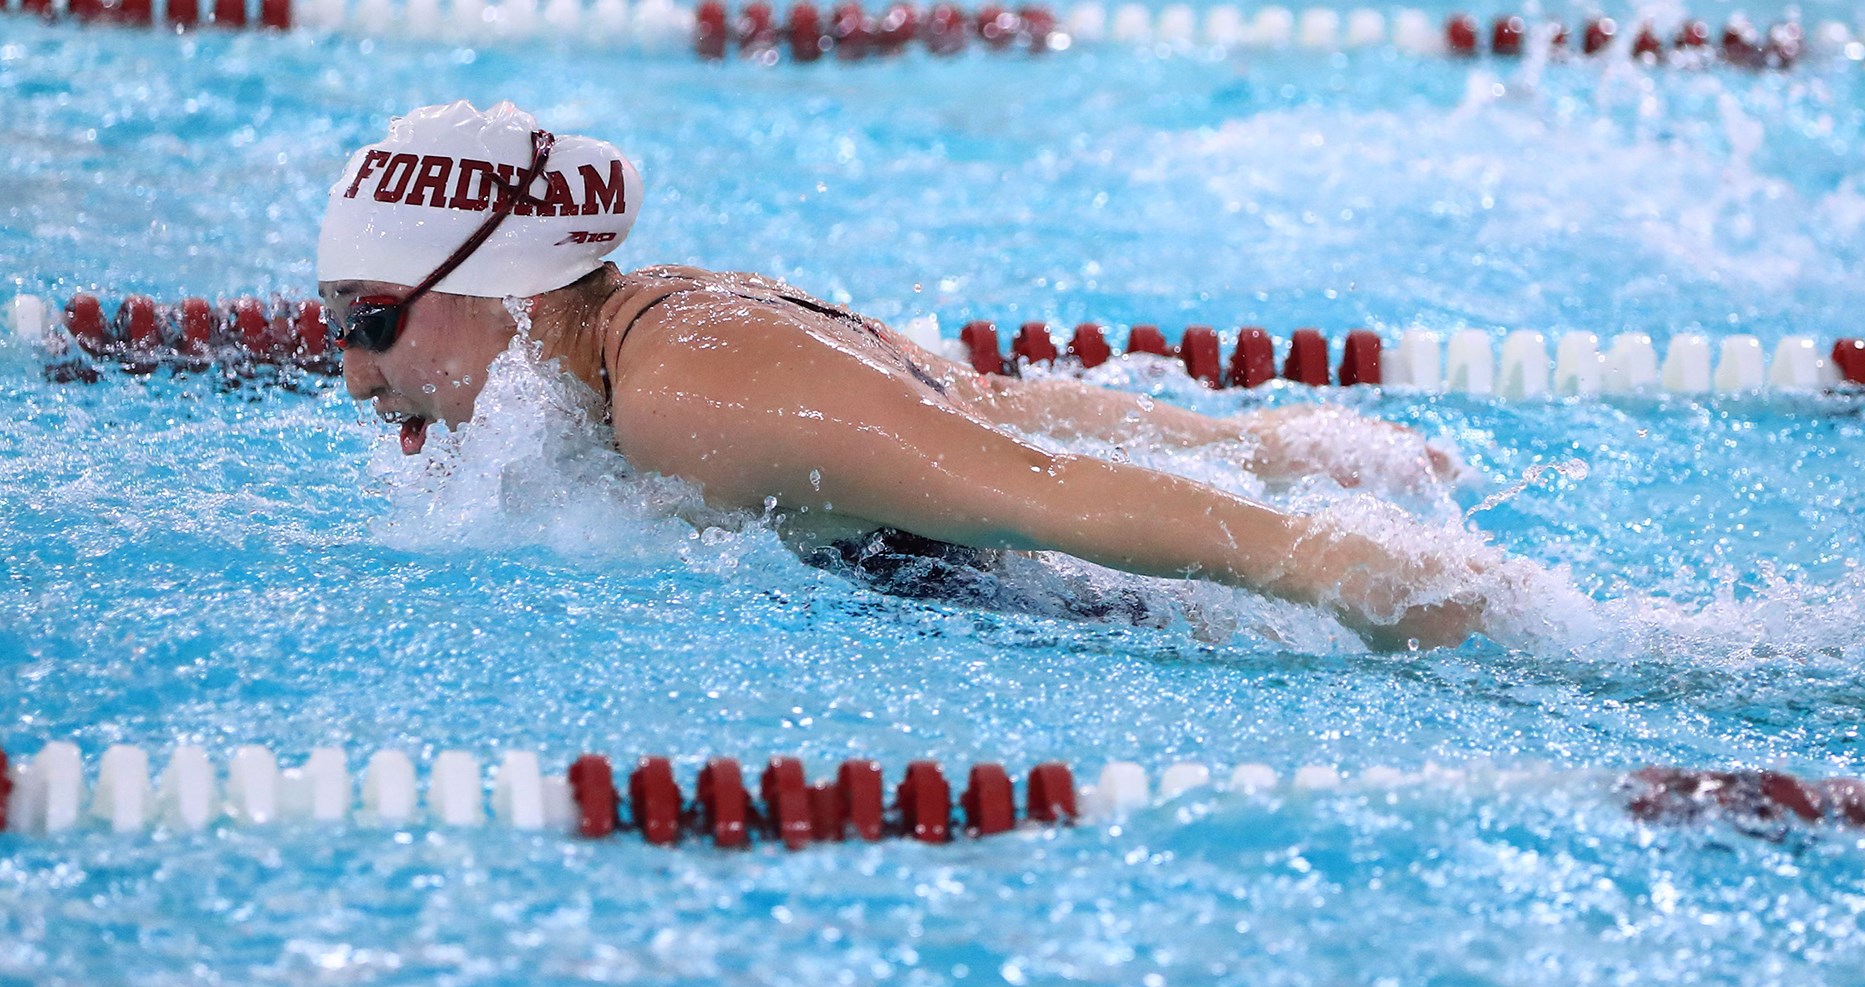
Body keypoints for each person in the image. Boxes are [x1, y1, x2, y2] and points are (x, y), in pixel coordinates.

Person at [319, 101, 1535, 650]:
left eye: (369, 321)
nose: (353, 381)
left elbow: (1030, 487)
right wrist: (1280, 447)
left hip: (1158, 613)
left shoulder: (685, 391)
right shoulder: (665, 320)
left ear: (504, 286)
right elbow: (987, 405)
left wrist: (1336, 572)